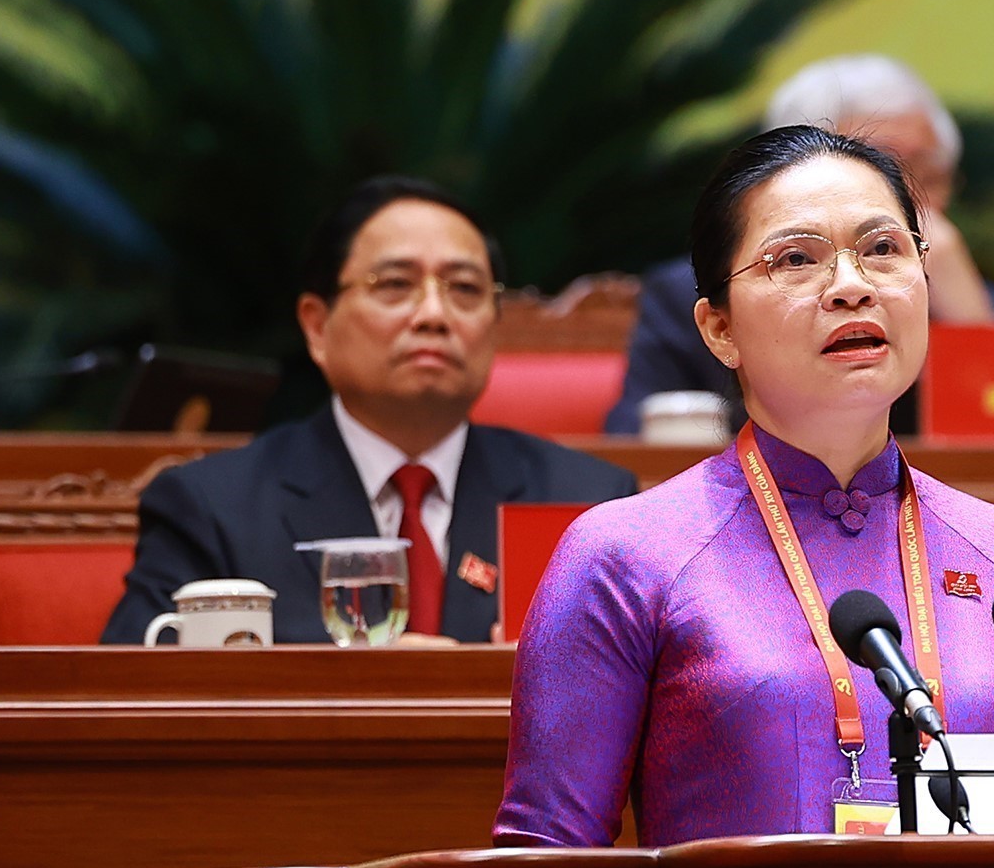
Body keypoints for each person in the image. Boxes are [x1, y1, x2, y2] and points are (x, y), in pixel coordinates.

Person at [496, 126, 994, 847]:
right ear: (719, 329)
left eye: (883, 248)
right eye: (797, 259)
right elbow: (546, 861)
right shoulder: (625, 554)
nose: (852, 286)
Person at [102, 177, 638, 644]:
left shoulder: (589, 505)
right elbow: (131, 696)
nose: (434, 315)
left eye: (465, 289)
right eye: (396, 285)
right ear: (317, 326)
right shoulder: (213, 509)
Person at [603, 54, 994, 434]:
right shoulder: (700, 295)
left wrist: (974, 333)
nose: (904, 200)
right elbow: (632, 456)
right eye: (869, 169)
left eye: (928, 176)